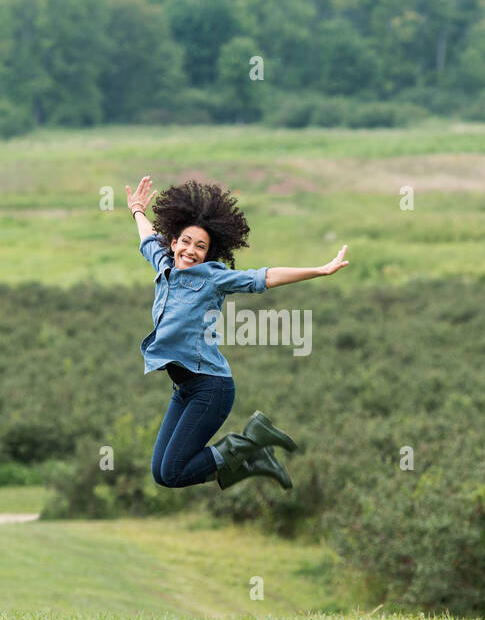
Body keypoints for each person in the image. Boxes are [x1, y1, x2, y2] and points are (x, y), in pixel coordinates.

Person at [124, 175, 348, 490]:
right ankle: (253, 459)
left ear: (208, 254)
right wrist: (137, 210)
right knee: (162, 474)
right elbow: (148, 238)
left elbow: (264, 277)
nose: (191, 250)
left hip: (211, 389)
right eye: (185, 242)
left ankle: (252, 440)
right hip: (185, 389)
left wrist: (319, 270)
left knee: (173, 472)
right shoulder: (163, 264)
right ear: (173, 242)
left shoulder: (213, 278)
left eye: (200, 247)